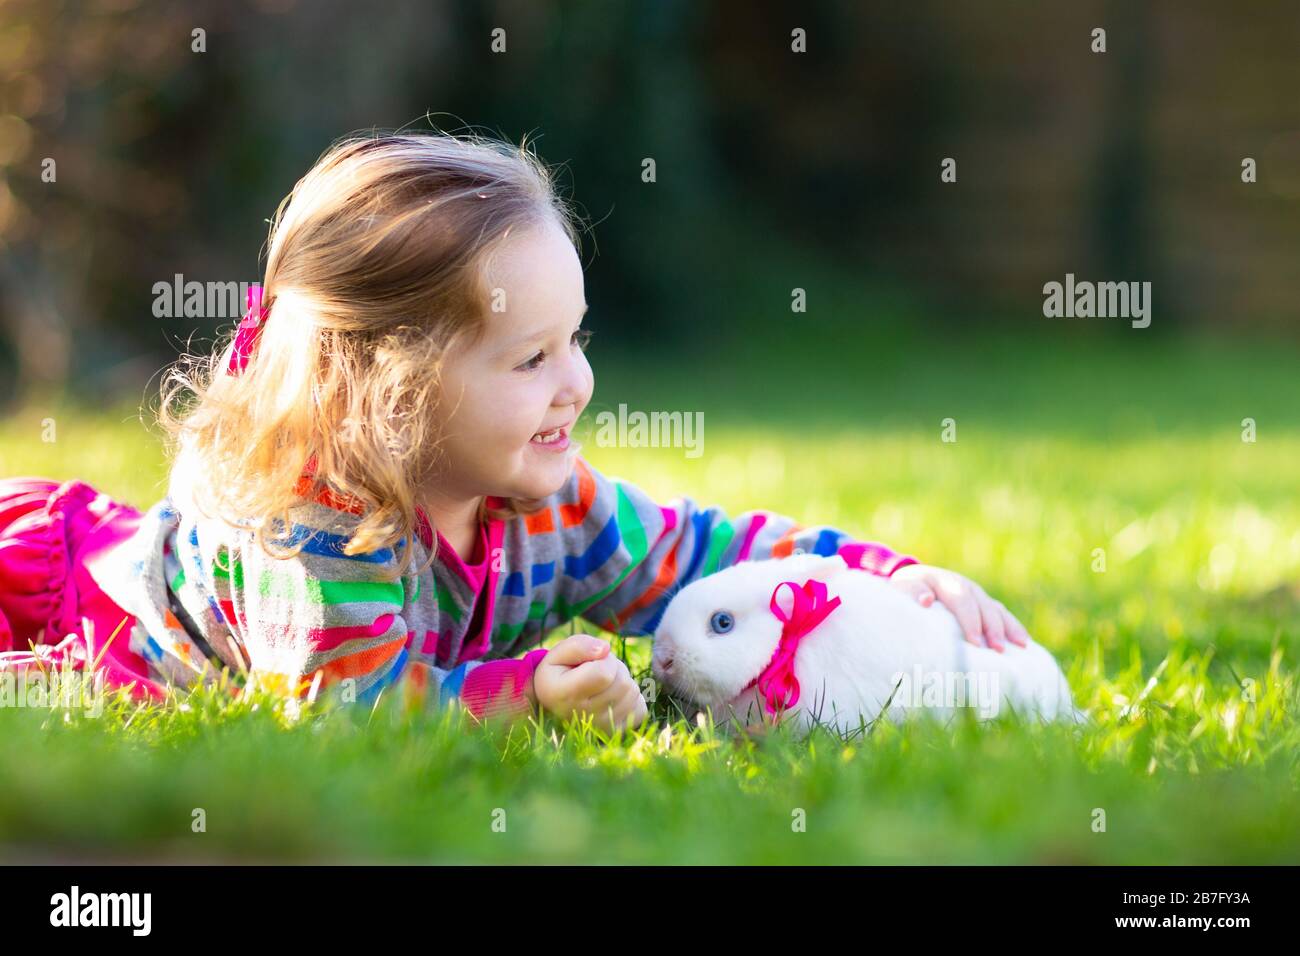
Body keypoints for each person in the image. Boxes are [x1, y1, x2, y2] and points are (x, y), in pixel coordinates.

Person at [0, 131, 1029, 731]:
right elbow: (350, 710)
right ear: (386, 393)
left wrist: (884, 573)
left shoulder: (545, 499)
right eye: (530, 358)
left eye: (573, 341)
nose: (575, 382)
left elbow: (699, 553)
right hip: (79, 610)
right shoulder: (314, 529)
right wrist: (523, 691)